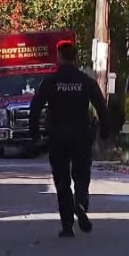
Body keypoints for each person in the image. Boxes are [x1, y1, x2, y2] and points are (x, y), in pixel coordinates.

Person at [29, 40, 110, 238]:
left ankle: (67, 226)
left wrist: (35, 134)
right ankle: (80, 202)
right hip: (81, 135)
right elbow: (101, 106)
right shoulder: (85, 81)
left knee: (62, 181)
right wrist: (105, 130)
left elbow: (36, 107)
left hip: (57, 137)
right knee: (81, 174)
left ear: (59, 56)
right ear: (75, 57)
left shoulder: (51, 81)